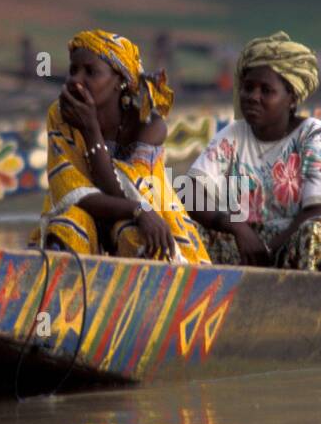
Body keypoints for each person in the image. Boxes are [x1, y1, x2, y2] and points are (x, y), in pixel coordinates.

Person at [186, 32, 321, 274]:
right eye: (248, 88)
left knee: (315, 235)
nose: (252, 97)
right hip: (254, 242)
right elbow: (190, 193)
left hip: (310, 246)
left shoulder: (312, 134)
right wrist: (238, 228)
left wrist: (269, 250)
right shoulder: (233, 135)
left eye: (266, 91)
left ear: (291, 98)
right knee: (187, 230)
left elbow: (320, 211)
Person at [32, 30, 209, 264]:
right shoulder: (60, 115)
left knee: (134, 234)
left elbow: (123, 191)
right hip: (93, 211)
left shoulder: (149, 125)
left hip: (141, 216)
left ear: (120, 82)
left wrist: (90, 131)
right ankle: (63, 294)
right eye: (73, 70)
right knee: (67, 224)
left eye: (90, 72)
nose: (76, 80)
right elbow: (70, 191)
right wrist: (138, 210)